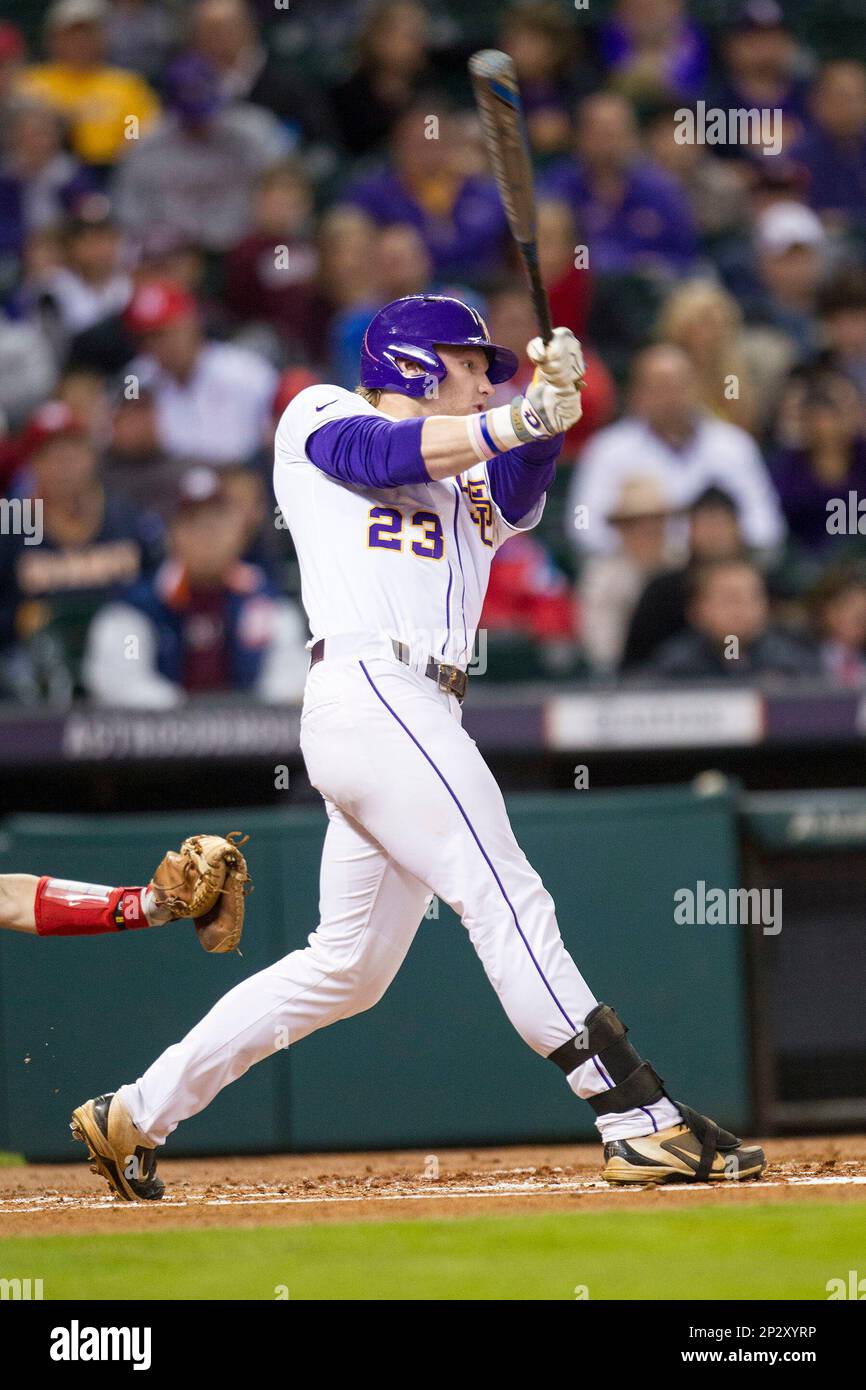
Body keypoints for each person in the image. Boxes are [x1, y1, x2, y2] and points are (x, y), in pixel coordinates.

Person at [70, 293, 765, 1200]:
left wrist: (551, 412)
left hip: (418, 711)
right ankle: (634, 1116)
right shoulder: (321, 412)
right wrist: (519, 416)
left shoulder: (474, 473)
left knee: (347, 967)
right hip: (372, 690)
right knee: (503, 891)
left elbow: (519, 488)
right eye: (470, 362)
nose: (484, 377)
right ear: (412, 361)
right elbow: (381, 454)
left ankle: (134, 1111)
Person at [84, 466, 308, 706]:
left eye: (217, 521)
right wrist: (188, 718)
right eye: (192, 523)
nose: (206, 535)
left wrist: (243, 716)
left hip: (253, 737)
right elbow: (120, 680)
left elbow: (291, 674)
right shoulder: (138, 606)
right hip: (164, 739)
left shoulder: (266, 600)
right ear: (172, 534)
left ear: (239, 531)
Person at [568, 344, 785, 557]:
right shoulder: (608, 449)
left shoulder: (734, 444)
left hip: (717, 565)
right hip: (637, 569)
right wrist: (642, 540)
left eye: (679, 385)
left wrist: (719, 540)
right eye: (660, 387)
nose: (671, 397)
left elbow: (765, 525)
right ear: (637, 394)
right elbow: (584, 527)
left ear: (697, 388)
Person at [112, 53, 290, 255]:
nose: (200, 125)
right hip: (171, 256)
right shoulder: (146, 145)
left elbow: (287, 187)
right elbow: (127, 212)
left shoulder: (255, 132)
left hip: (244, 249)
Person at [122, 279, 279, 468]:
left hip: (246, 475)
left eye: (164, 333)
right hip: (169, 485)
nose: (157, 345)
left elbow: (277, 438)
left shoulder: (246, 373)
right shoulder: (136, 380)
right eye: (146, 337)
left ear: (191, 323)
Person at [542, 92, 698, 278]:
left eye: (617, 133)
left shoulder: (662, 190)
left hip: (648, 291)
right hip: (582, 289)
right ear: (580, 136)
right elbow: (550, 252)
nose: (609, 143)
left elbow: (686, 258)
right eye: (601, 134)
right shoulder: (560, 188)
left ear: (634, 137)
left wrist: (653, 267)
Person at [16, 0, 159, 171]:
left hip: (111, 171)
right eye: (71, 34)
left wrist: (130, 141)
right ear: (53, 38)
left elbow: (136, 129)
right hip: (48, 172)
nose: (80, 42)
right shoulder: (33, 84)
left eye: (88, 34)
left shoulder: (126, 86)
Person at [622, 486, 745, 670]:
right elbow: (635, 662)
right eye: (707, 524)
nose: (714, 534)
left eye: (720, 524)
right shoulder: (662, 592)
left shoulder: (765, 584)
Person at [649, 556, 818, 680]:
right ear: (696, 610)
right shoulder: (673, 667)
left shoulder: (793, 663)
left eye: (752, 597)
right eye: (730, 599)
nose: (741, 609)